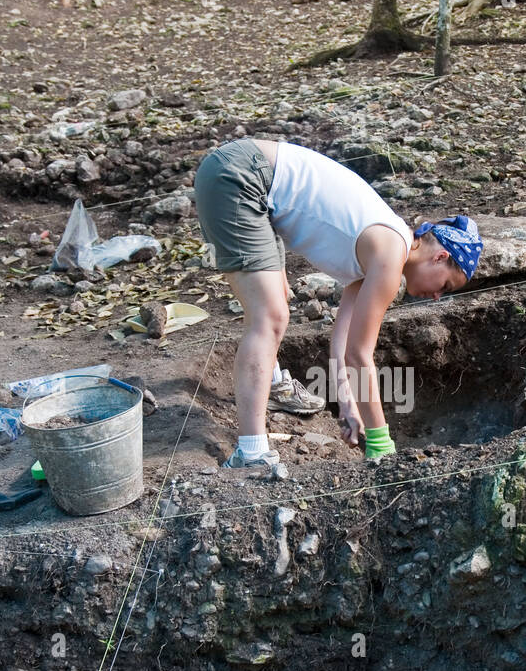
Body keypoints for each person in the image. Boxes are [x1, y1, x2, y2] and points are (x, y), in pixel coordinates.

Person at [194, 137, 483, 474]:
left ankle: (271, 385)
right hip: (243, 177)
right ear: (440, 256)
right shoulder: (390, 255)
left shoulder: (381, 252)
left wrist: (348, 402)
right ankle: (252, 452)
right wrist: (381, 443)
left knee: (277, 299)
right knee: (270, 316)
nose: (437, 296)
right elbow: (360, 356)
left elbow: (345, 343)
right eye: (445, 286)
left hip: (250, 179)